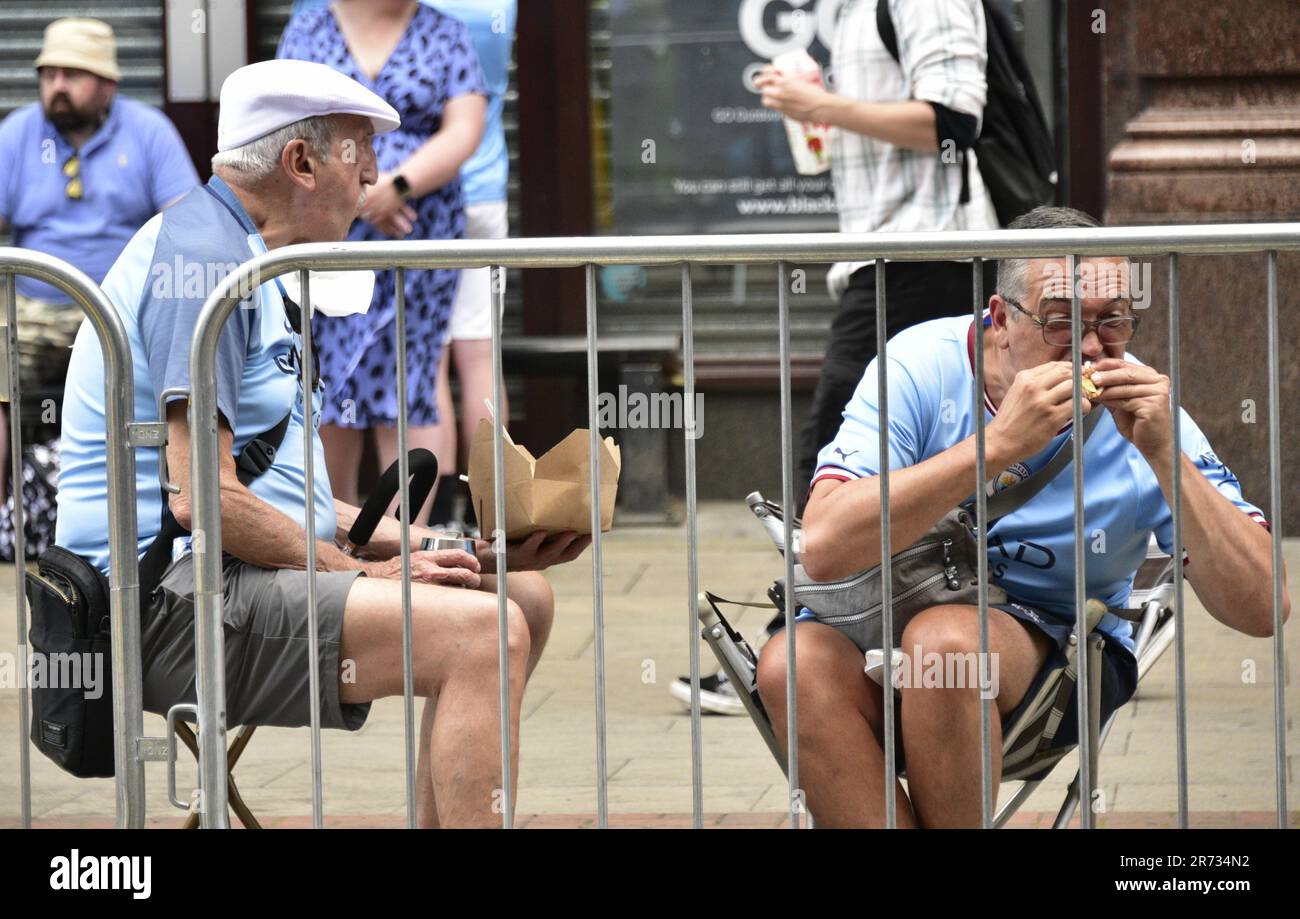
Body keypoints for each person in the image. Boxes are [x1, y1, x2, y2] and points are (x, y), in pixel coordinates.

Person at [56, 59, 589, 828]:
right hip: (162, 607)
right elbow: (201, 498)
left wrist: (466, 548)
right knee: (482, 631)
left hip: (215, 577)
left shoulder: (242, 255)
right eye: (358, 152)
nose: (376, 174)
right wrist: (364, 573)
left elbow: (285, 502)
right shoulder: (204, 263)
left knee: (517, 594)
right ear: (301, 163)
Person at [757, 206, 1291, 828]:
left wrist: (1166, 457)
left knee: (947, 644)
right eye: (1064, 321)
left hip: (1061, 657)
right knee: (792, 663)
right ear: (1001, 319)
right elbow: (820, 545)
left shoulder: (1142, 408)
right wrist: (996, 448)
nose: (1093, 347)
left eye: (1112, 319)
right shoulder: (918, 365)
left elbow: (1263, 609)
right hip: (889, 618)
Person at [755, 0, 1000, 516]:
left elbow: (953, 121)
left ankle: (819, 587)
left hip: (926, 250)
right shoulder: (848, 10)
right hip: (888, 252)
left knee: (832, 445)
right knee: (892, 441)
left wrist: (821, 106)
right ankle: (878, 587)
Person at [276, 0, 487, 525]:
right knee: (327, 368)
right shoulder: (309, 28)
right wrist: (350, 198)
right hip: (326, 227)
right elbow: (281, 124)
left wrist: (394, 186)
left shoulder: (445, 31)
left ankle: (407, 537)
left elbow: (464, 129)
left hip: (418, 228)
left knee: (411, 368)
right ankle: (331, 532)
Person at [0, 17, 197, 504]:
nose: (57, 87)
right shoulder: (18, 133)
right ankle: (5, 519)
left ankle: (161, 509)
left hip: (120, 310)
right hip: (31, 308)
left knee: (178, 371)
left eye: (72, 75)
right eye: (48, 75)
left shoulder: (149, 132)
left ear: (108, 84)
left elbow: (189, 227)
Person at [425, 0, 517, 530]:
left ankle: (431, 519)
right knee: (480, 356)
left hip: (421, 194)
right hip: (483, 191)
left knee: (424, 363)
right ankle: (491, 516)